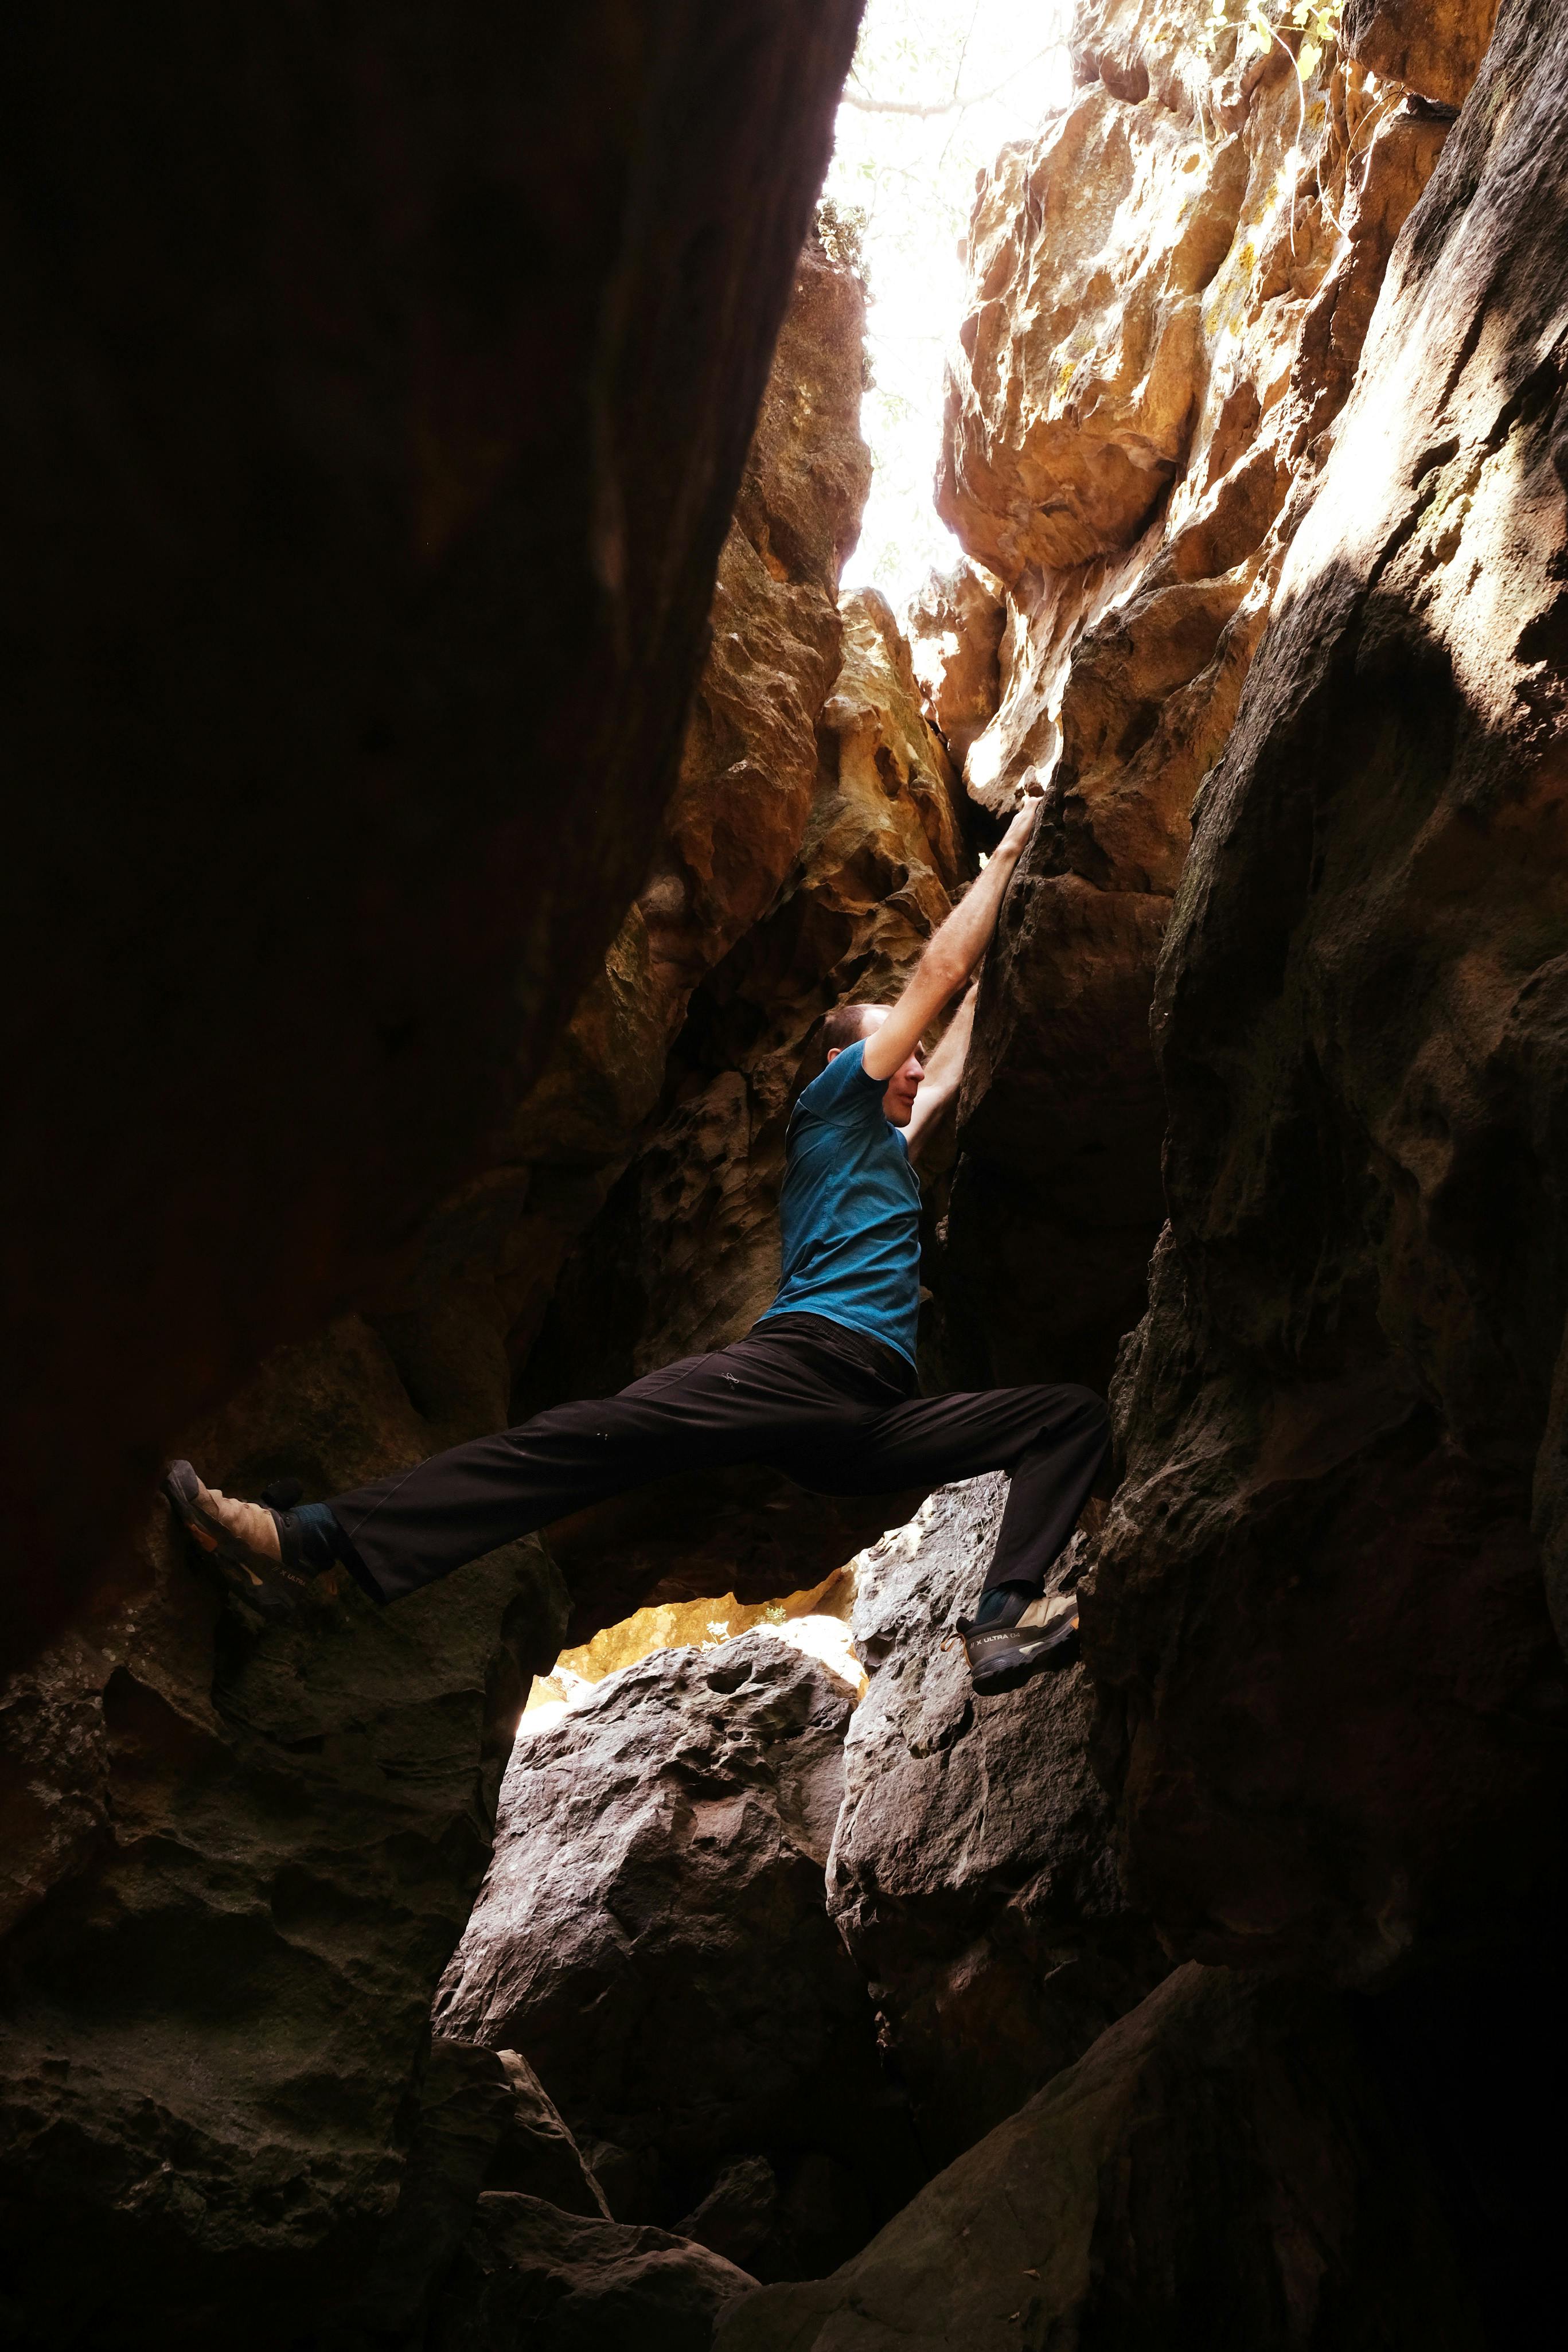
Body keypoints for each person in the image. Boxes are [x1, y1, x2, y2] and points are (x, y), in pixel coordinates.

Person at [165, 793, 1107, 1692]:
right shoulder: (831, 1109)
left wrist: (1011, 928)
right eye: (892, 1048)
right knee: (582, 1443)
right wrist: (1013, 849)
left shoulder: (890, 1148)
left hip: (862, 1421)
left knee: (1067, 1416)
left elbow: (943, 1065)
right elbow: (933, 979)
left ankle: (999, 1617)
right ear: (842, 1063)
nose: (909, 1060)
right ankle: (316, 1538)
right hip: (799, 1364)